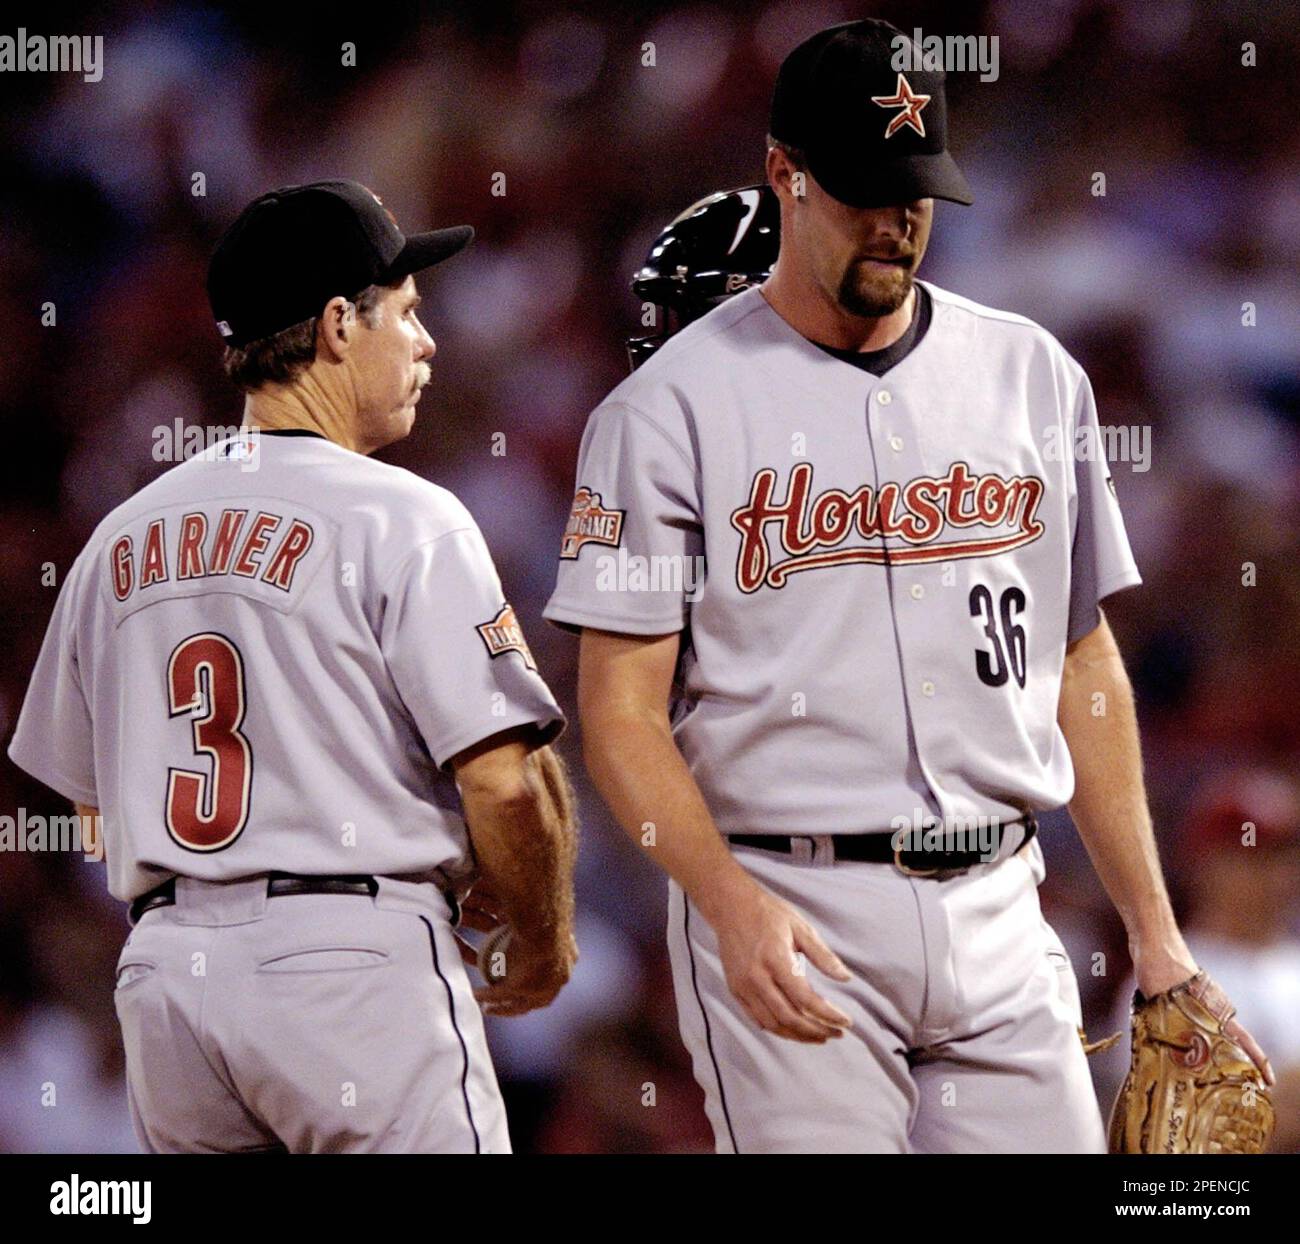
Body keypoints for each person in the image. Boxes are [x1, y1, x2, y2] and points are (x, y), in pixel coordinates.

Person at [543, 20, 1271, 1153]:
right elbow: (620, 714)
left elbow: (1079, 663)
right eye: (865, 192)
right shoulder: (665, 411)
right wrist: (727, 908)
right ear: (783, 175)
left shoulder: (1030, 374)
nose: (896, 221)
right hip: (790, 894)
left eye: (917, 192)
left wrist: (1157, 933)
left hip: (1000, 898)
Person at [8, 179, 578, 1154]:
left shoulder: (117, 539)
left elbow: (84, 802)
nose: (426, 342)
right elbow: (502, 776)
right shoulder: (405, 514)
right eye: (406, 313)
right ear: (335, 326)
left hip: (169, 981)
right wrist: (543, 936)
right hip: (350, 967)